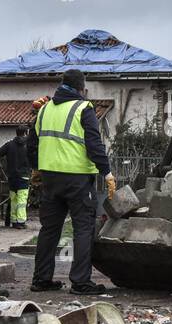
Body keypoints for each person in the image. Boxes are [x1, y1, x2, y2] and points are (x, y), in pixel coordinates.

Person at [26, 70, 115, 293]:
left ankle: (41, 279)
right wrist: (107, 172)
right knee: (83, 229)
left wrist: (36, 167)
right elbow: (94, 145)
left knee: (49, 230)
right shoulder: (84, 109)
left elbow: (32, 142)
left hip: (50, 180)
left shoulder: (44, 109)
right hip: (77, 180)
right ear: (81, 89)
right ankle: (81, 281)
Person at [0, 126, 32, 229]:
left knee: (14, 199)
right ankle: (21, 222)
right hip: (24, 176)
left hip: (11, 177)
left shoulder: (9, 144)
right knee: (22, 199)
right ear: (26, 133)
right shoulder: (28, 145)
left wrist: (1, 166)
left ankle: (14, 221)